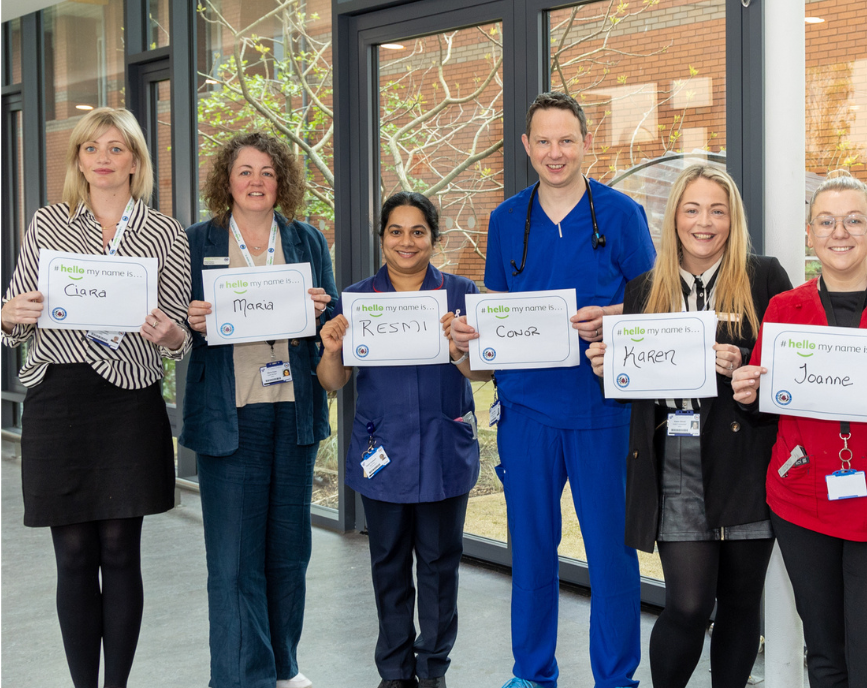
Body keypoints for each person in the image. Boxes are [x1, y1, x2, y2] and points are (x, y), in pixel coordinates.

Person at [451, 91, 656, 688]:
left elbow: (649, 305)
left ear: (587, 143)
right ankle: (532, 673)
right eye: (543, 141)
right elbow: (499, 312)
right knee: (533, 552)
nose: (555, 152)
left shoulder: (620, 215)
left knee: (611, 557)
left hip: (603, 412)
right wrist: (471, 334)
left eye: (567, 140)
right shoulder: (507, 219)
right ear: (526, 147)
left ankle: (616, 677)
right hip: (527, 412)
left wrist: (611, 315)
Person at [0, 107, 191, 688]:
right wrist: (9, 317)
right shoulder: (48, 222)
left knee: (119, 552)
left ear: (136, 159)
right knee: (74, 555)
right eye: (91, 148)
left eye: (116, 148)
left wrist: (170, 335)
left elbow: (180, 335)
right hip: (59, 398)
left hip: (129, 401)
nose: (103, 158)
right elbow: (16, 319)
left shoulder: (164, 233)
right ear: (78, 161)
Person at [586, 164, 792, 688]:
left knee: (743, 605)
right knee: (689, 603)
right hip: (674, 460)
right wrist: (611, 370)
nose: (705, 222)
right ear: (674, 215)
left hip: (746, 461)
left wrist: (742, 359)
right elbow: (635, 381)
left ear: (734, 218)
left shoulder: (765, 277)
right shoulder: (644, 289)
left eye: (717, 210)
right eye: (692, 209)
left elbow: (788, 371)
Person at [733, 170, 867, 687]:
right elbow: (768, 404)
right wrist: (749, 394)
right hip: (804, 501)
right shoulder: (784, 307)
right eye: (826, 221)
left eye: (852, 221)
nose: (839, 232)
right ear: (809, 234)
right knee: (824, 654)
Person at [180, 132, 337, 688]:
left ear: (282, 182)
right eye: (244, 171)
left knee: (289, 550)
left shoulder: (306, 241)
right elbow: (175, 326)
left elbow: (332, 322)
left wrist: (322, 311)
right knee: (234, 558)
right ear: (227, 179)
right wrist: (193, 322)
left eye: (267, 172)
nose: (255, 181)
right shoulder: (196, 241)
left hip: (293, 413)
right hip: (230, 415)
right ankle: (240, 676)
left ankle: (282, 667)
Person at [316, 191, 489, 688]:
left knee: (439, 566)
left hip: (442, 451)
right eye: (396, 231)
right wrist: (331, 348)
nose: (406, 241)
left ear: (434, 238)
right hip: (382, 453)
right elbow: (334, 381)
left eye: (418, 231)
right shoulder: (356, 301)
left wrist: (459, 348)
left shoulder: (460, 293)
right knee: (388, 566)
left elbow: (479, 373)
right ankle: (394, 673)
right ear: (382, 238)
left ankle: (433, 669)